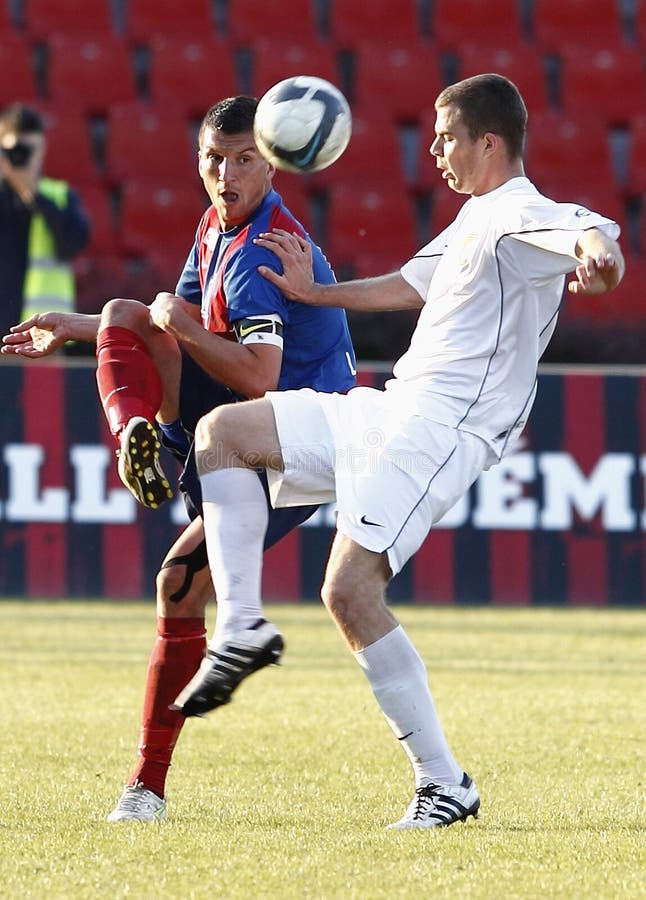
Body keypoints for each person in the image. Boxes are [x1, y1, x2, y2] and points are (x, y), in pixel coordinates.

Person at [172, 75, 625, 829]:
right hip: (389, 408)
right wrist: (314, 294)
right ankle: (242, 625)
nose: (435, 152)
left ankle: (443, 783)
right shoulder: (476, 217)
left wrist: (601, 263)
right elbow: (411, 285)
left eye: (446, 138)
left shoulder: (519, 213)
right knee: (224, 434)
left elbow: (589, 235)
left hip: (442, 431)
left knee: (349, 592)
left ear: (488, 142)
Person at [2, 96, 356, 822]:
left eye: (245, 159)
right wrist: (77, 327)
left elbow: (259, 374)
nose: (227, 175)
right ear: (198, 160)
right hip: (240, 425)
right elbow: (171, 327)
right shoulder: (215, 227)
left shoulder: (260, 251)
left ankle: (145, 789)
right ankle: (138, 440)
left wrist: (172, 323)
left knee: (178, 584)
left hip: (294, 442)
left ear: (272, 165)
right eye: (214, 159)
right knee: (124, 314)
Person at [0, 102, 90, 343]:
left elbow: (72, 244)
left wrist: (33, 194)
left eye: (28, 150)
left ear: (42, 149)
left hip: (43, 336)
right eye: (13, 150)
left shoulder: (59, 196)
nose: (21, 157)